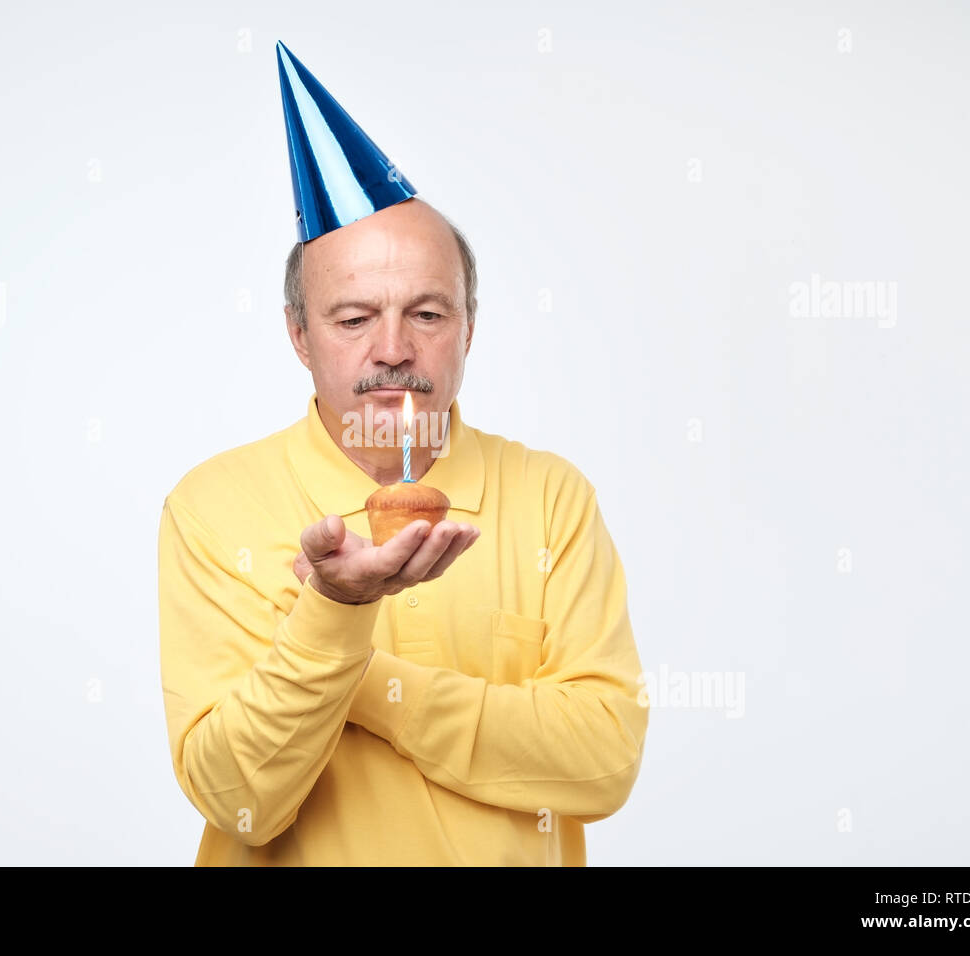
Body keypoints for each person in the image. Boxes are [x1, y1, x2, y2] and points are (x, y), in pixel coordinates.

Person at [156, 42, 647, 866]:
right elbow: (241, 802)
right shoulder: (213, 508)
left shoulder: (552, 499)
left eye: (426, 313)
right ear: (300, 337)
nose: (393, 349)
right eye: (352, 320)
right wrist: (338, 610)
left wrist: (363, 679)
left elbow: (603, 763)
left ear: (469, 327)